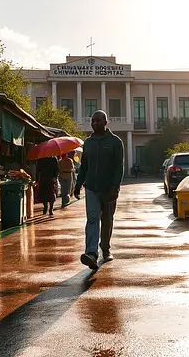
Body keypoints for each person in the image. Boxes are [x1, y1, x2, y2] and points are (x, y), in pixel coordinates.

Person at [75, 111, 124, 270]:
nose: (94, 123)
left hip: (108, 190)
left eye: (97, 121)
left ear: (105, 122)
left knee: (107, 220)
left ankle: (106, 248)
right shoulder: (88, 143)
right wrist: (78, 184)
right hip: (91, 189)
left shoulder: (115, 142)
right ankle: (91, 254)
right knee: (93, 219)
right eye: (92, 121)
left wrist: (115, 187)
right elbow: (84, 167)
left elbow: (118, 167)